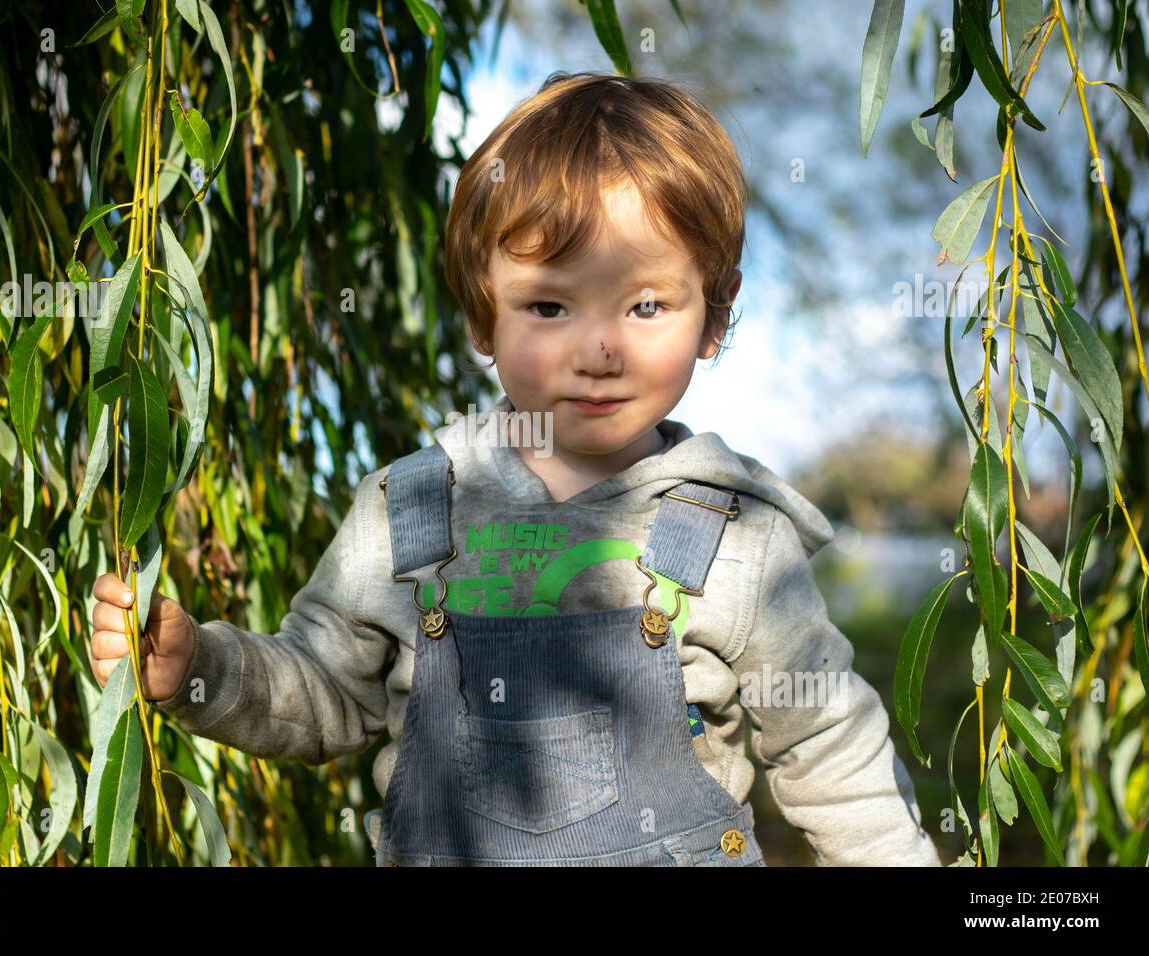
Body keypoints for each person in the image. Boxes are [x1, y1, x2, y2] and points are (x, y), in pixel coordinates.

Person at [89, 70, 944, 867]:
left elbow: (828, 743)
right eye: (548, 305)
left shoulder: (738, 536)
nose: (600, 348)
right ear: (480, 316)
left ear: (713, 318)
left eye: (646, 304)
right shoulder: (410, 510)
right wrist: (197, 666)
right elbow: (326, 694)